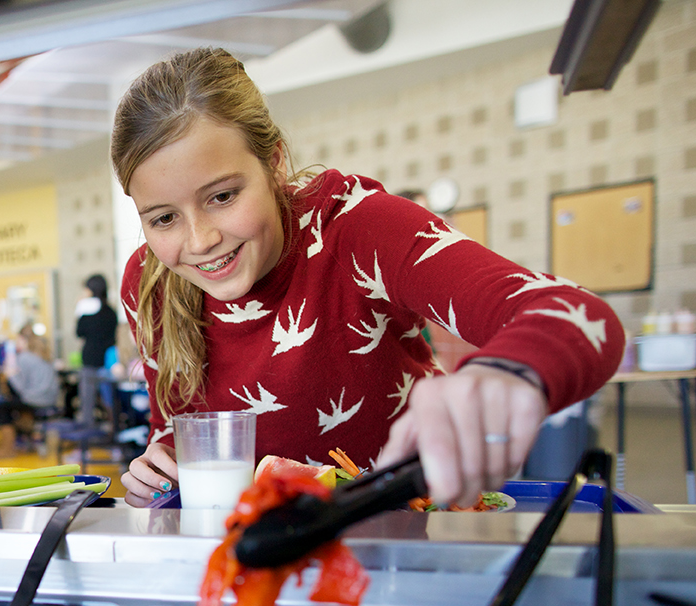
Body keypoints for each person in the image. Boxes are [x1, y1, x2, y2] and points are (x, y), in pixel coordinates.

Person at [112, 48, 623, 509]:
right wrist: (158, 468)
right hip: (260, 550)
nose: (200, 241)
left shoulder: (360, 230)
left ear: (274, 163)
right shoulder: (147, 283)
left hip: (415, 532)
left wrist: (508, 374)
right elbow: (176, 428)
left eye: (223, 196)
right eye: (164, 218)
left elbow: (578, 315)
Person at [0, 328, 60, 446]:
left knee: (1, 407)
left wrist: (11, 375)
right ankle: (27, 434)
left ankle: (8, 447)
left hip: (35, 400)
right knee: (12, 403)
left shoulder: (24, 357)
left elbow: (21, 389)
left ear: (23, 340)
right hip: (50, 400)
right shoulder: (43, 354)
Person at [74, 274, 117, 426]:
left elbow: (79, 332)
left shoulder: (87, 311)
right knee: (110, 399)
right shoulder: (110, 311)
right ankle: (113, 428)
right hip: (108, 360)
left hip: (90, 360)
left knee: (87, 400)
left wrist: (78, 309)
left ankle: (88, 430)